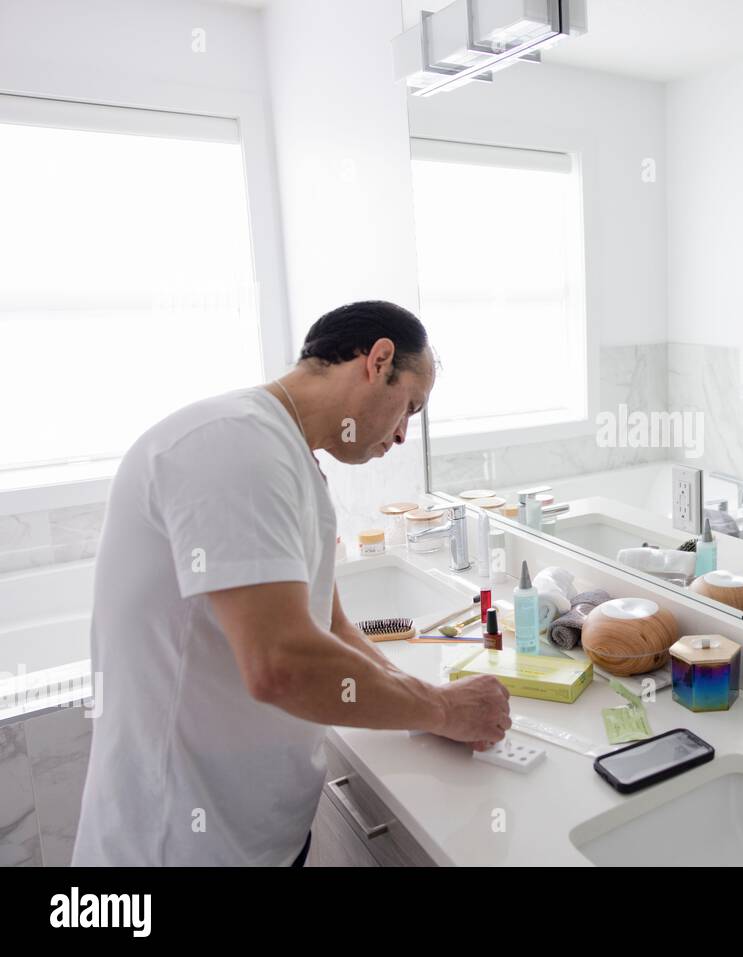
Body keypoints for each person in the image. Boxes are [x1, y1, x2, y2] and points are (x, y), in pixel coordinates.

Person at [72, 300, 511, 866]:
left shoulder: (288, 458)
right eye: (409, 407)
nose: (403, 435)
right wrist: (441, 711)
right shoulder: (234, 443)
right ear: (378, 361)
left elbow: (329, 627)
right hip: (177, 847)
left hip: (259, 838)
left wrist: (433, 703)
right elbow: (282, 663)